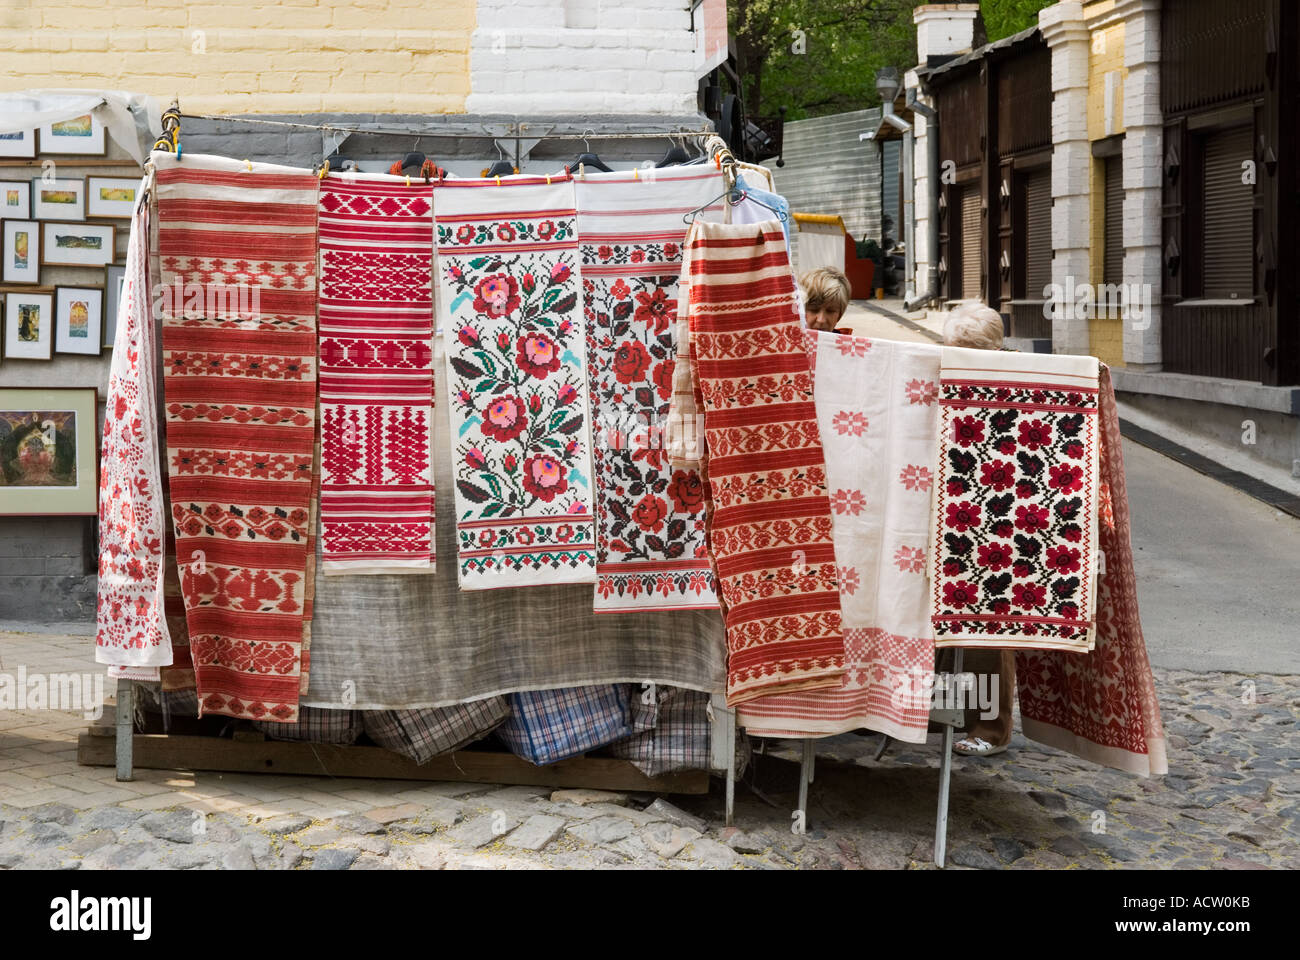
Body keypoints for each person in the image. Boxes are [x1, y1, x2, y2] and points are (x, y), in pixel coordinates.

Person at [942, 301, 1017, 758]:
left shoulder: (1015, 385)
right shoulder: (950, 376)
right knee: (942, 621)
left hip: (1000, 525)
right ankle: (942, 714)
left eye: (960, 351)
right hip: (954, 516)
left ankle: (991, 728)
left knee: (989, 627)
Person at [800, 266, 851, 332]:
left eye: (830, 311)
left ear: (839, 315)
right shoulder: (785, 341)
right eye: (814, 310)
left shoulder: (847, 342)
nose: (821, 320)